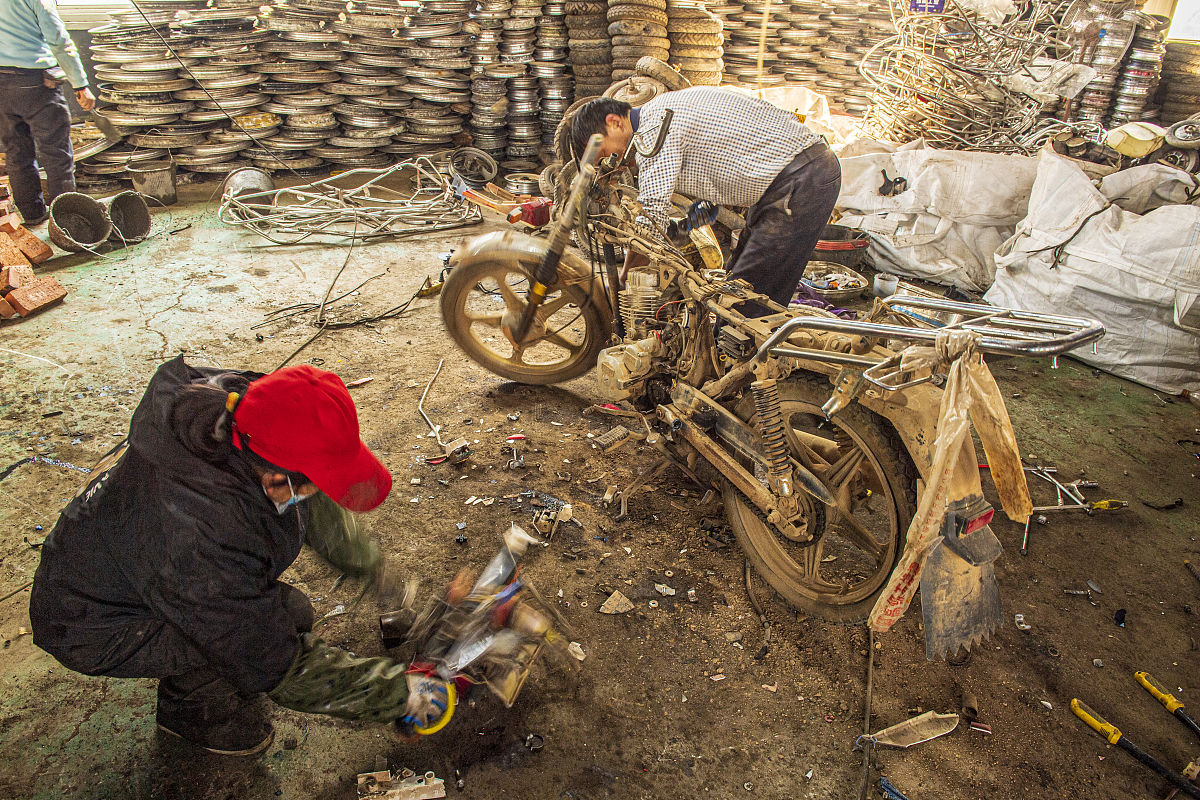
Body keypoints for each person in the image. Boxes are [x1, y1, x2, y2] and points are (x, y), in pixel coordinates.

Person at [30, 357, 451, 756]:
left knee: (289, 612)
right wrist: (401, 696)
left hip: (142, 569)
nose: (314, 492)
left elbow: (310, 499)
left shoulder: (251, 409)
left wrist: (378, 574)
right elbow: (265, 653)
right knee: (261, 632)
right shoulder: (197, 536)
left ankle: (200, 672)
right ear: (274, 476)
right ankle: (190, 712)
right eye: (306, 483)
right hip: (92, 623)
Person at [569, 88, 842, 308]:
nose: (612, 164)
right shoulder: (661, 108)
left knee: (746, 303)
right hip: (796, 175)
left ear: (614, 122)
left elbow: (651, 221)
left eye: (605, 153)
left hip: (800, 179)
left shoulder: (652, 133)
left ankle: (743, 373)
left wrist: (624, 281)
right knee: (734, 283)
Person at [0, 0, 96, 225]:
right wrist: (80, 84)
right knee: (56, 153)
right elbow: (58, 40)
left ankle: (33, 215)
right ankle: (67, 220)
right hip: (34, 83)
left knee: (16, 152)